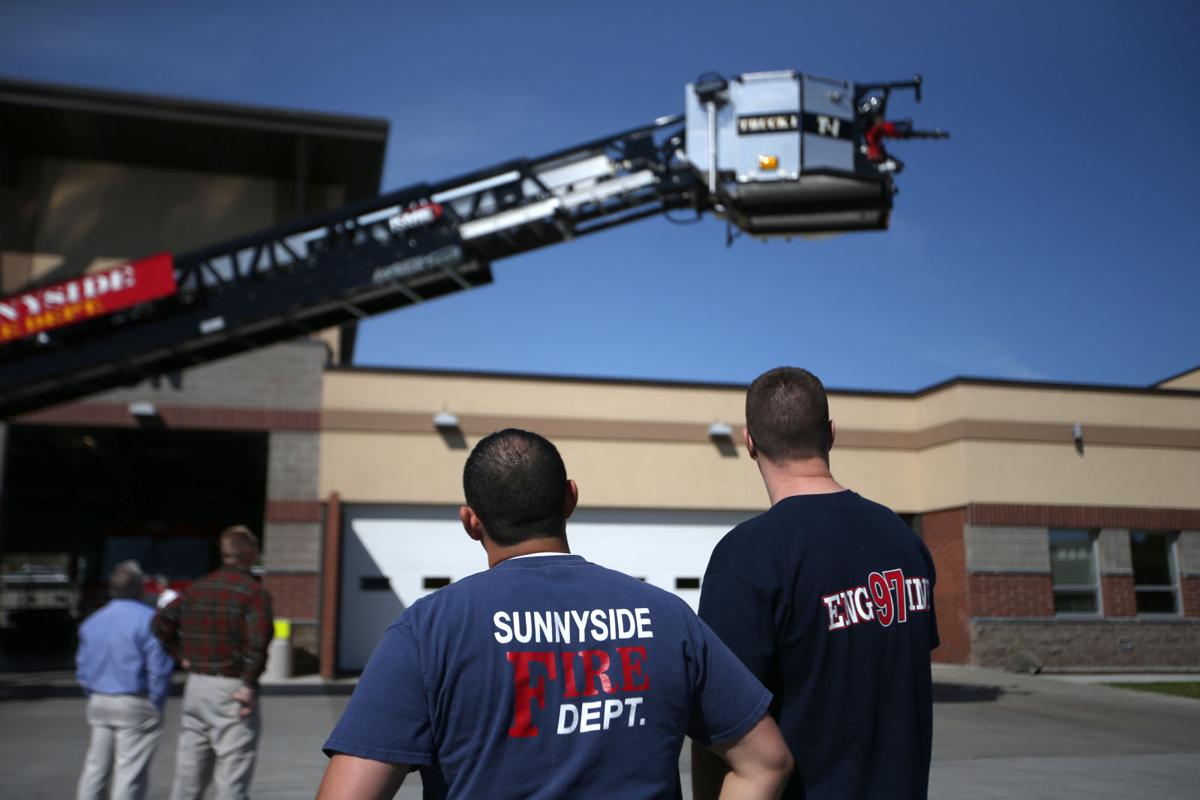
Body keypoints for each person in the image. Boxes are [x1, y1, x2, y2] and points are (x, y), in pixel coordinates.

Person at [318, 428, 793, 800]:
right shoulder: (667, 616)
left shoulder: (427, 632)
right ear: (569, 499)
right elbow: (766, 762)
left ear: (471, 522)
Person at [693, 367, 939, 800]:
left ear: (750, 442)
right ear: (830, 434)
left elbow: (719, 726)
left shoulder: (747, 556)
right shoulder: (905, 542)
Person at [152, 525, 274, 800]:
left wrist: (180, 654)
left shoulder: (197, 588)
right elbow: (258, 641)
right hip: (231, 687)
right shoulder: (253, 593)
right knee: (232, 773)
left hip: (196, 685)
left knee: (189, 773)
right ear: (250, 552)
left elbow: (160, 623)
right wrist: (249, 683)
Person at [75, 559, 174, 800]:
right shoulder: (149, 620)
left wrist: (91, 692)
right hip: (135, 701)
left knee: (95, 767)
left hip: (99, 700)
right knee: (129, 771)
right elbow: (158, 669)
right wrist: (156, 701)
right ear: (140, 589)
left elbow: (82, 665)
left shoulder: (92, 621)